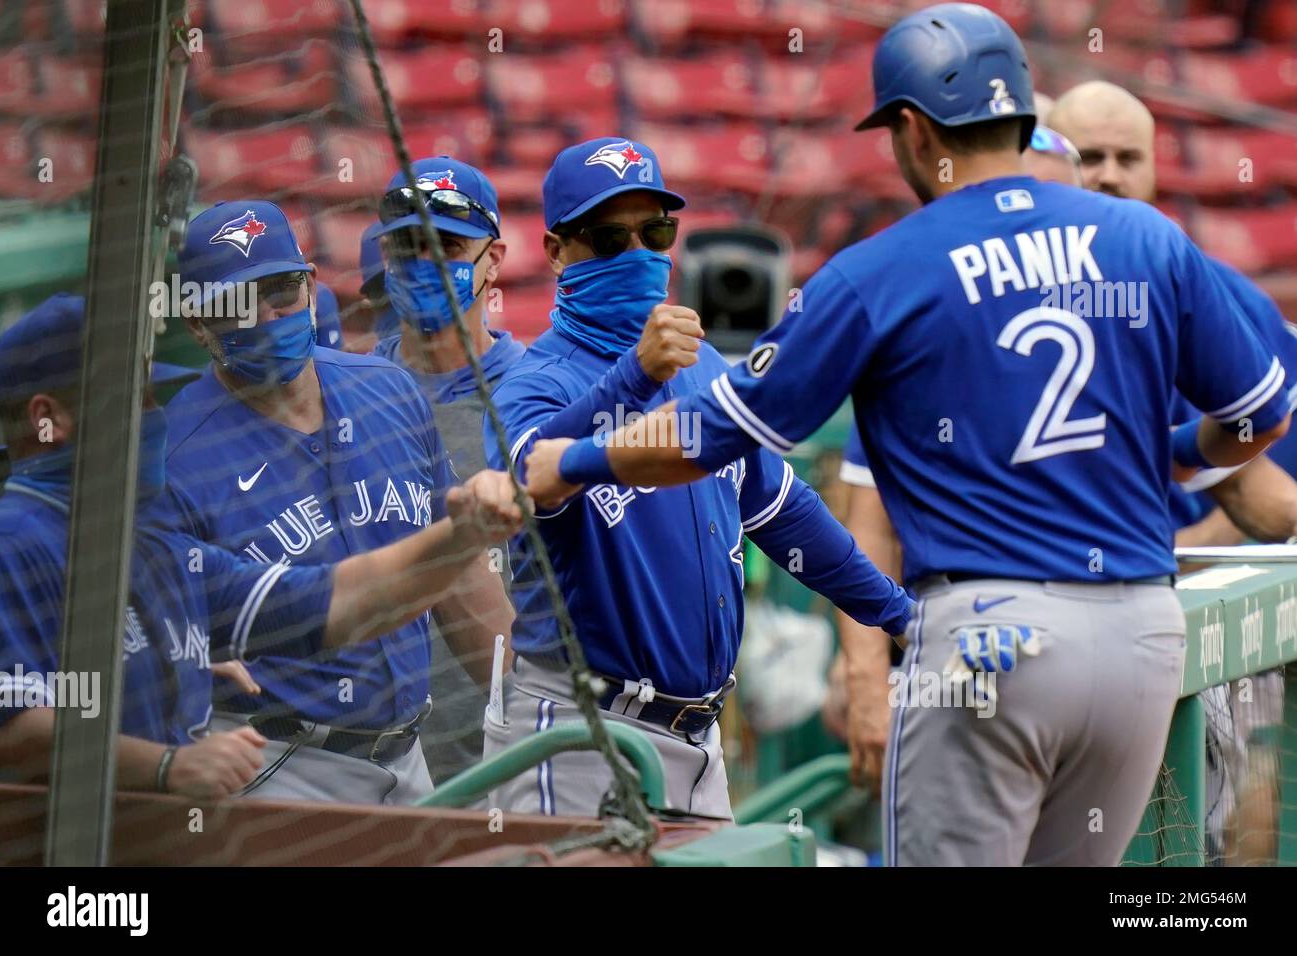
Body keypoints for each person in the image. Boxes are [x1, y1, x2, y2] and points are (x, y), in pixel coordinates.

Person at [525, 4, 1291, 865]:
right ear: (1026, 117)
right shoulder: (1150, 238)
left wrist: (577, 457)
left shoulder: (885, 267)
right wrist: (1171, 452)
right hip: (1142, 638)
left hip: (991, 635)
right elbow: (1260, 418)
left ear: (920, 131)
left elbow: (715, 437)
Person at [484, 136, 912, 819]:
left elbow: (782, 513)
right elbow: (531, 474)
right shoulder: (530, 382)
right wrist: (637, 375)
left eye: (655, 230)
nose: (638, 254)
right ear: (558, 250)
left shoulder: (706, 366)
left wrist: (900, 616)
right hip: (581, 733)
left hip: (699, 739)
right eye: (608, 237)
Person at [0, 293, 523, 801]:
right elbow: (14, 731)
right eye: (134, 398)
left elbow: (335, 600)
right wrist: (167, 766)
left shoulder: (147, 549)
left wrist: (464, 535)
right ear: (51, 419)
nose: (154, 416)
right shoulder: (15, 541)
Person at [159, 199, 512, 803]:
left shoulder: (388, 390)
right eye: (235, 305)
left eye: (281, 291)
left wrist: (527, 711)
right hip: (277, 763)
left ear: (310, 285)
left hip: (409, 756)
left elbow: (456, 582)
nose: (266, 314)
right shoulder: (170, 459)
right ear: (196, 324)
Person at [1049, 79, 1297, 545]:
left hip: (1186, 582)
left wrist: (1168, 563)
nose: (1109, 176)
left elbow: (1259, 484)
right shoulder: (996, 291)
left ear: (1155, 171)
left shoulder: (1219, 294)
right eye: (1088, 157)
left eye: (1128, 159)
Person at [369, 157, 525, 782]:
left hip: (508, 738)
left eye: (449, 247)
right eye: (408, 247)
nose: (426, 264)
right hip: (377, 751)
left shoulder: (541, 397)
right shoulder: (348, 394)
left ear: (495, 258)